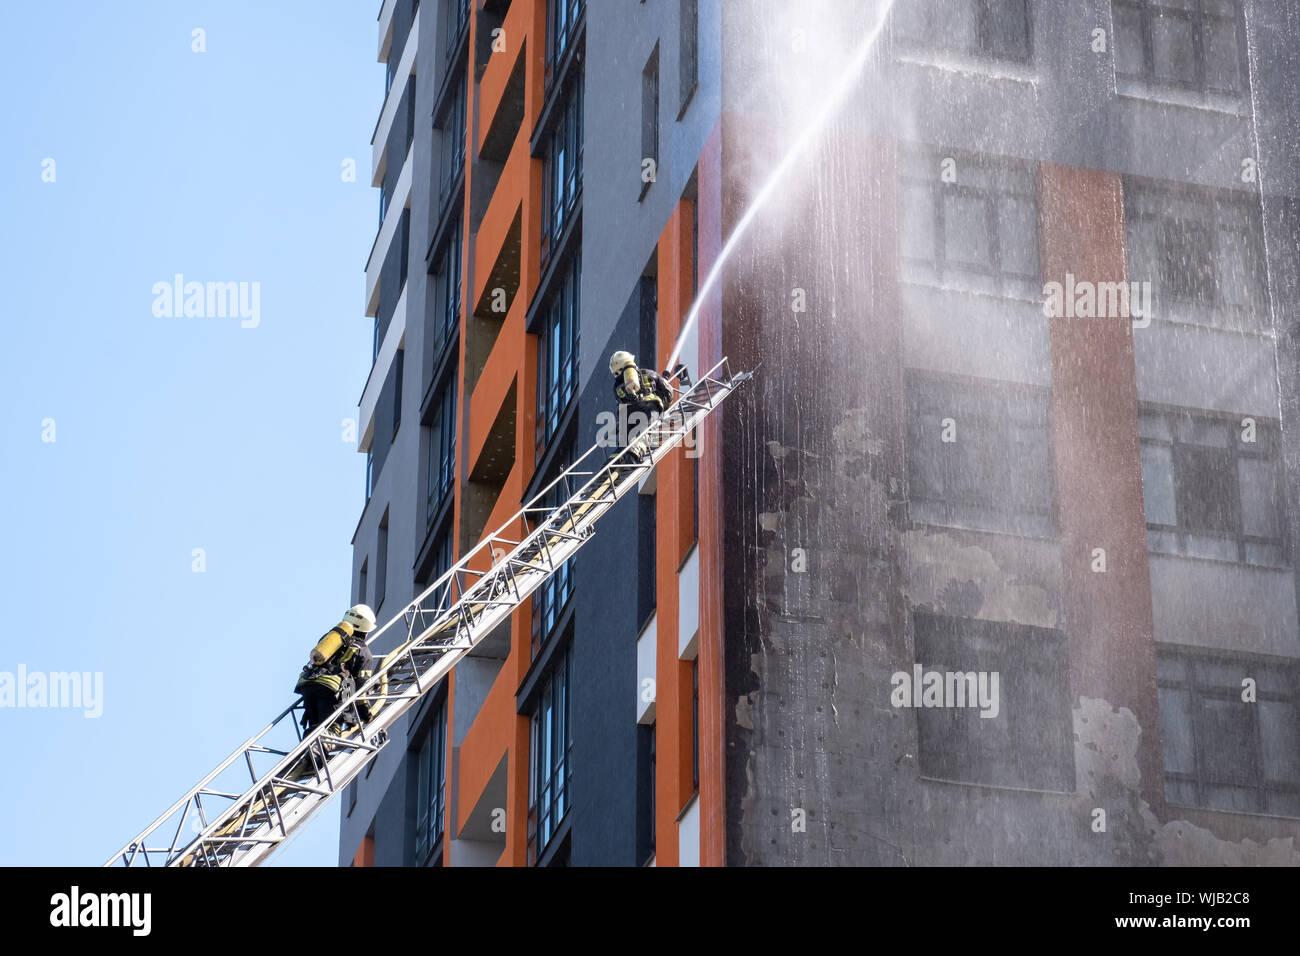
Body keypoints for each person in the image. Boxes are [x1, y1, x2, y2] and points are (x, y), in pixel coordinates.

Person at [295, 604, 377, 734]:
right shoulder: (364, 652)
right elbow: (361, 689)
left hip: (308, 684)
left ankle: (309, 753)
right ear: (366, 631)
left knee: (315, 728)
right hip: (330, 690)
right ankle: (317, 750)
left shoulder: (329, 639)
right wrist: (365, 714)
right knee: (332, 730)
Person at [609, 351, 674, 460]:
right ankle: (635, 452)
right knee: (643, 431)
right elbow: (669, 393)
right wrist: (663, 405)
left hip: (627, 413)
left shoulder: (616, 386)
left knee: (624, 439)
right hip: (649, 407)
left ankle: (615, 459)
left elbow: (619, 403)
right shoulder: (650, 373)